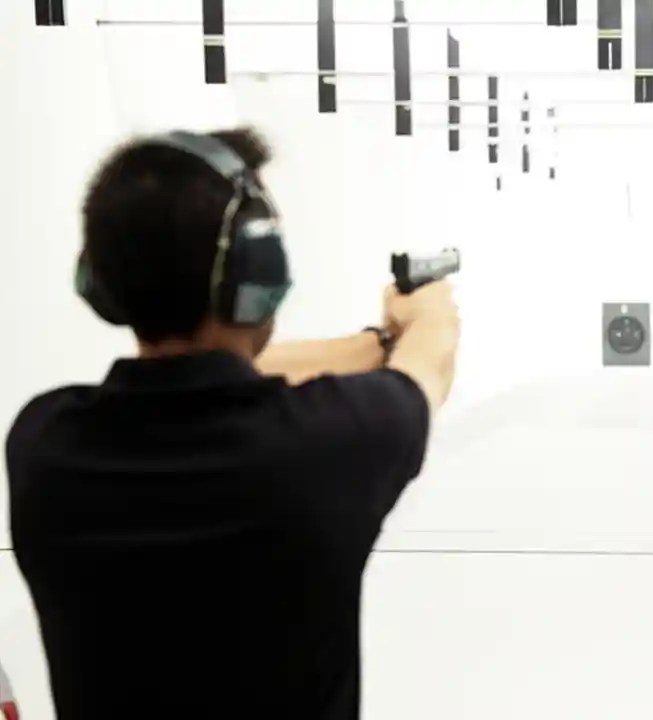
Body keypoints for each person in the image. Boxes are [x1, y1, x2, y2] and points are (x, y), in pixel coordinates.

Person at [5, 128, 460, 720]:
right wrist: (423, 313)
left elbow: (219, 380)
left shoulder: (45, 446)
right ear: (257, 271)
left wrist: (376, 339)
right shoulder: (334, 440)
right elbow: (429, 363)